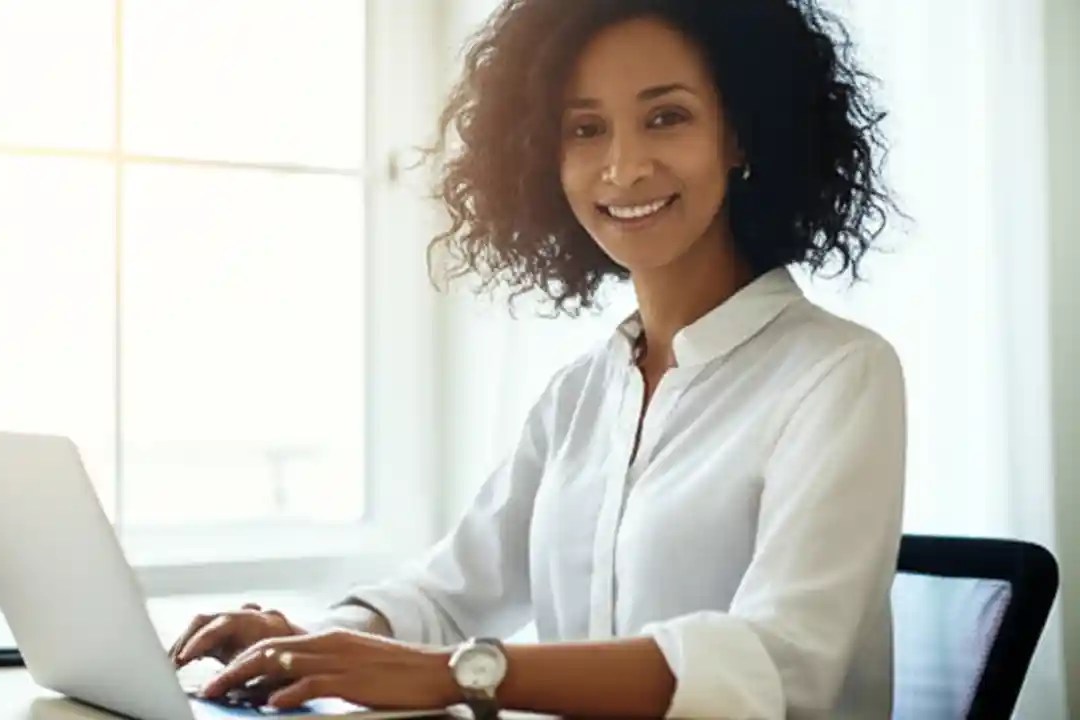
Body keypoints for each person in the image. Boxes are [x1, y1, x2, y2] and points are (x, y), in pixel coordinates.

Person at [170, 0, 905, 717]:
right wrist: (312, 643)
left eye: (666, 117)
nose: (622, 167)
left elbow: (782, 664)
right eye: (585, 129)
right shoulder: (581, 393)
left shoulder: (838, 374)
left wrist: (461, 677)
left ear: (740, 134)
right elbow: (451, 592)